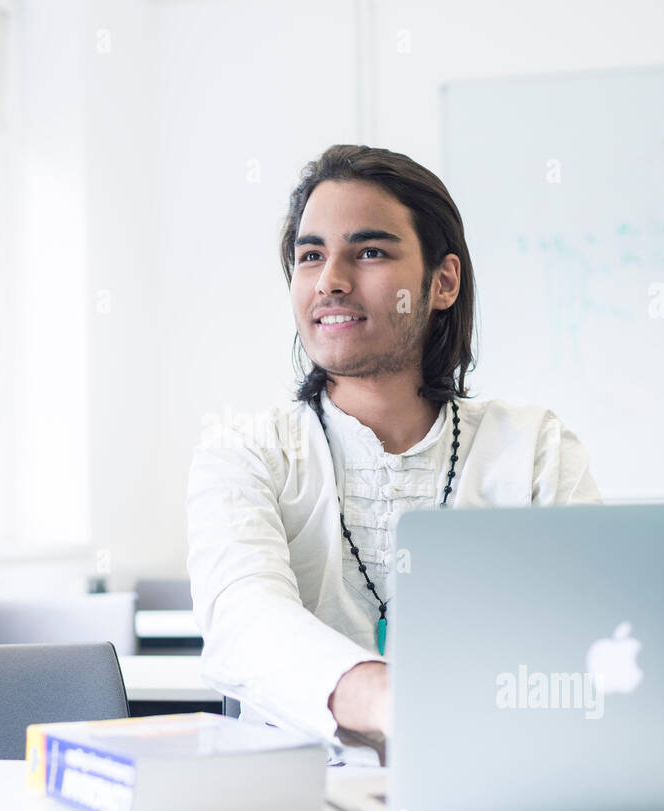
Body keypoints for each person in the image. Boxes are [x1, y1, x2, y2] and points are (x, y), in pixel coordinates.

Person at [185, 144, 602, 766]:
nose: (330, 280)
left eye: (370, 252)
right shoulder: (246, 452)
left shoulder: (534, 448)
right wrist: (387, 699)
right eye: (310, 256)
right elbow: (246, 620)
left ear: (443, 282)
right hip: (296, 807)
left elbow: (588, 624)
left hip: (495, 786)